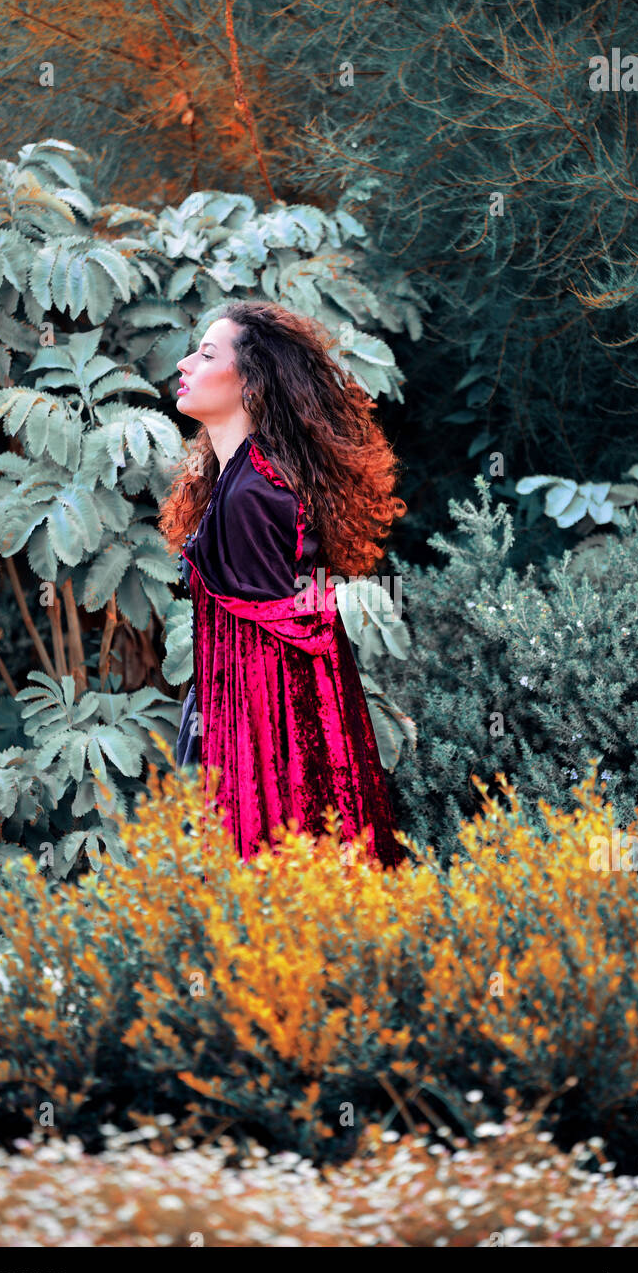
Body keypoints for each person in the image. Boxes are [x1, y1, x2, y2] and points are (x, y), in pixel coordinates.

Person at [158, 299, 408, 870]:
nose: (185, 364)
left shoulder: (253, 491)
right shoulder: (240, 477)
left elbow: (276, 642)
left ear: (251, 384)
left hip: (263, 727)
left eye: (206, 355)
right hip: (256, 715)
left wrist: (241, 777)